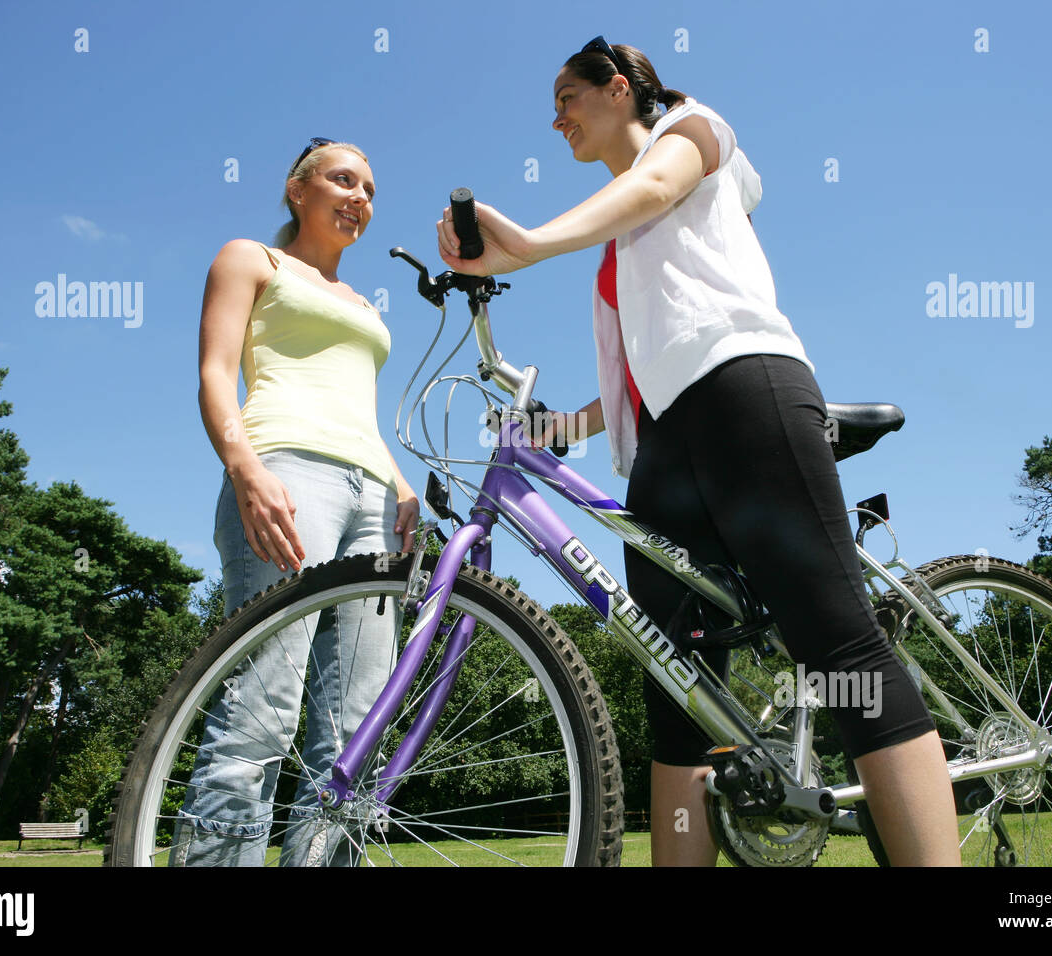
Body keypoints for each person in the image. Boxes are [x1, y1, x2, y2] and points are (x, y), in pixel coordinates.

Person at [436, 39, 960, 866]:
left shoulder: (694, 128)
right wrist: (560, 431)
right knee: (676, 694)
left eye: (568, 96)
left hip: (745, 387)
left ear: (619, 89)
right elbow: (642, 375)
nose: (556, 117)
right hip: (664, 444)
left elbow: (651, 186)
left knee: (838, 649)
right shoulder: (617, 247)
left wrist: (530, 242)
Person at [176, 138, 420, 866]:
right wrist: (243, 465)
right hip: (287, 471)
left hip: (373, 497)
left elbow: (362, 415)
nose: (361, 198)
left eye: (371, 189)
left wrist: (402, 490)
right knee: (261, 709)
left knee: (354, 735)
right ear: (296, 189)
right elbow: (216, 373)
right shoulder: (251, 258)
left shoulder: (359, 302)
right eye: (344, 180)